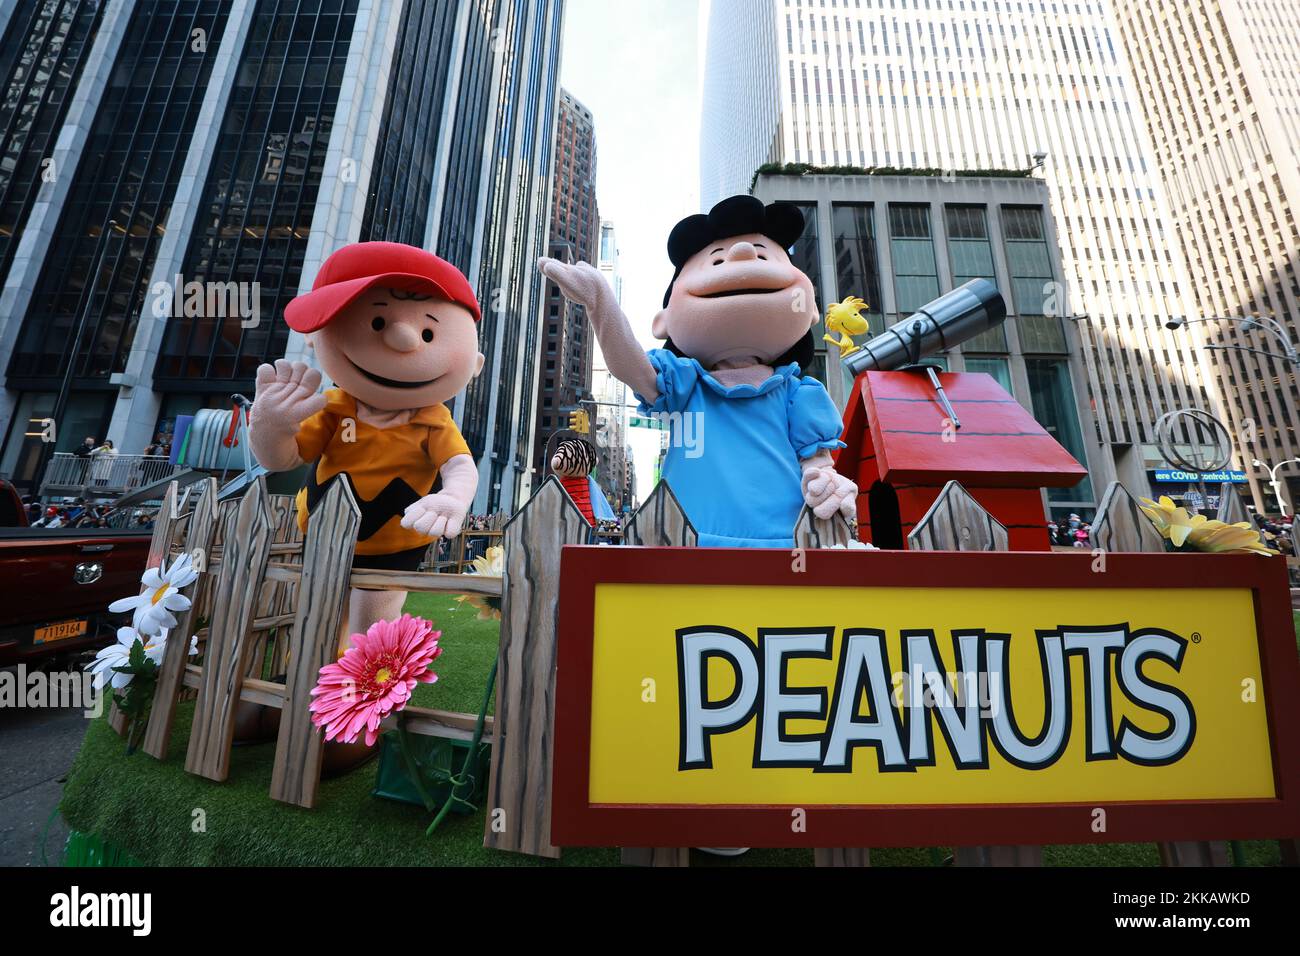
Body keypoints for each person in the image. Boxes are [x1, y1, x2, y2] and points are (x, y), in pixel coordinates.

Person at [539, 195, 857, 547]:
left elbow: (816, 462)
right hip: (686, 549)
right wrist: (600, 302)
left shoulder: (797, 393)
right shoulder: (684, 384)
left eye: (760, 253)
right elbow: (631, 369)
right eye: (716, 259)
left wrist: (824, 481)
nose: (741, 255)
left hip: (783, 548)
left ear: (808, 310)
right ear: (664, 322)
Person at [249, 241, 484, 642]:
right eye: (377, 323)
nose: (404, 338)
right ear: (316, 335)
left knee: (370, 629)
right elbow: (284, 458)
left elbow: (459, 465)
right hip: (326, 531)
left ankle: (366, 698)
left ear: (475, 364)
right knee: (317, 625)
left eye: (429, 331)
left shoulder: (432, 420)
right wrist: (269, 427)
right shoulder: (332, 408)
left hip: (397, 541)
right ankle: (311, 686)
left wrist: (454, 498)